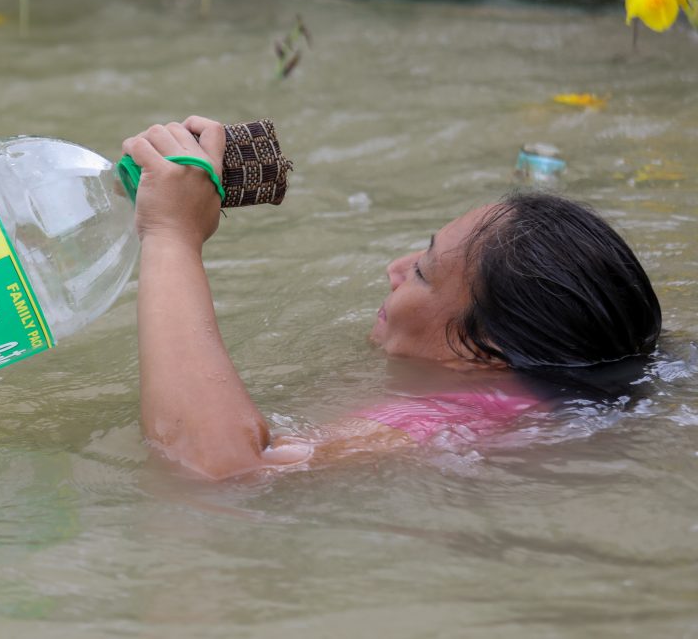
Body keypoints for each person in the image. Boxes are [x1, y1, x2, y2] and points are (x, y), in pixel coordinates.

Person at [121, 116, 662, 480]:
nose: (395, 270)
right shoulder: (516, 388)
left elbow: (225, 469)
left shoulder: (472, 414)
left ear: (485, 350)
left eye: (423, 273)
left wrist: (171, 235)